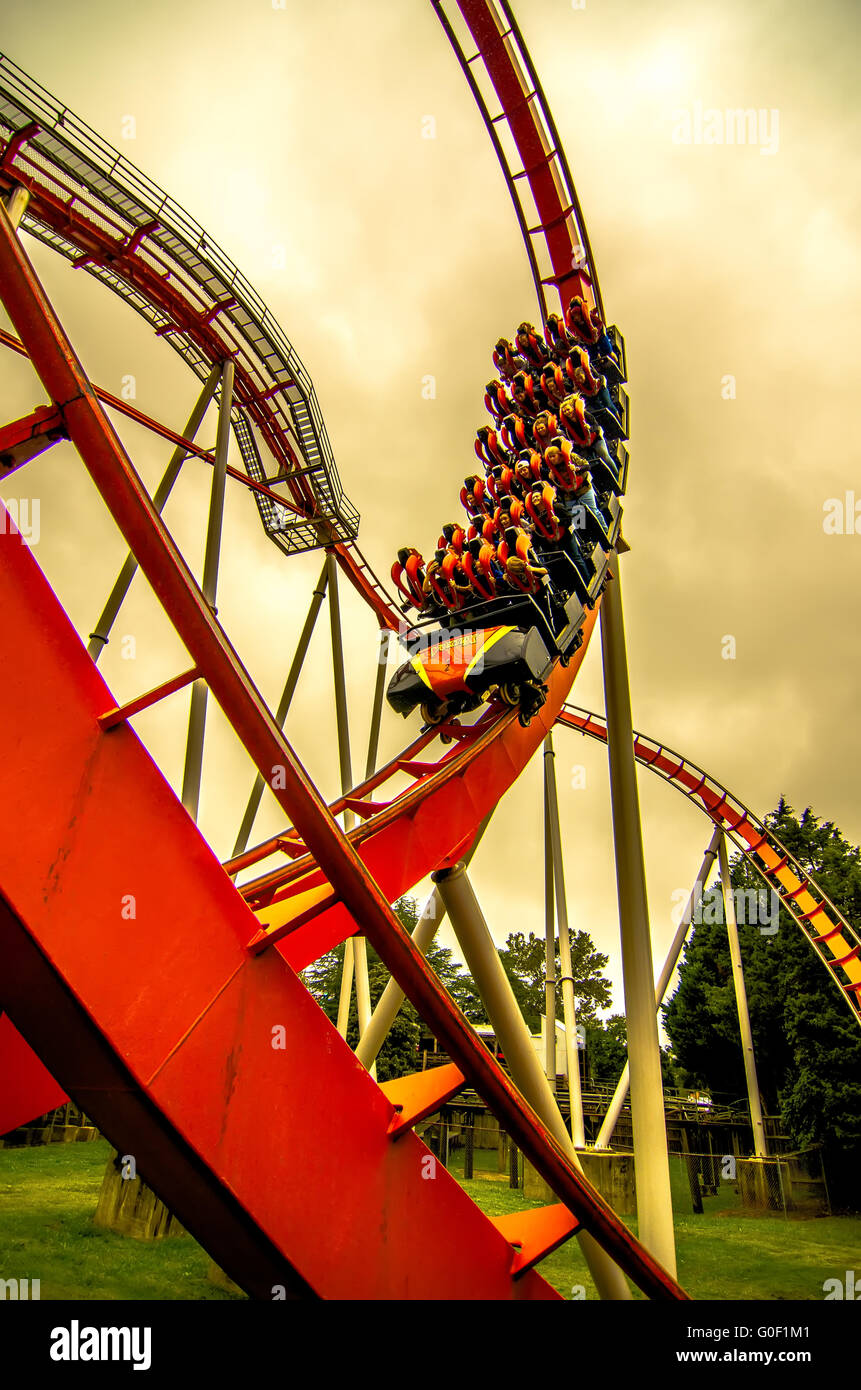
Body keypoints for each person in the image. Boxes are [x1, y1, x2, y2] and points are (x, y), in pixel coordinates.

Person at [391, 546, 426, 611]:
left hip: (422, 595)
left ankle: (408, 604)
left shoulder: (412, 569)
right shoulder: (412, 570)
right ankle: (408, 604)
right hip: (420, 595)